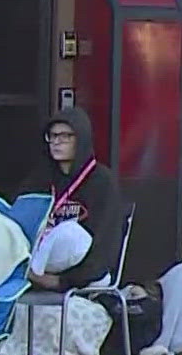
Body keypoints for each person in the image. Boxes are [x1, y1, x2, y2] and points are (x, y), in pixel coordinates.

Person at [20, 108, 121, 292]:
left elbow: (106, 242)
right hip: (39, 264)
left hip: (81, 275)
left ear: (81, 139)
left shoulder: (102, 182)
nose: (57, 142)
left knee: (74, 235)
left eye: (66, 136)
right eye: (52, 136)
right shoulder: (40, 178)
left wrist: (64, 281)